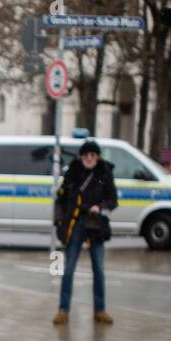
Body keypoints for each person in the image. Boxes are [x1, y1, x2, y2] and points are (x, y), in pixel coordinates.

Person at [52, 139, 118, 326]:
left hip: (96, 226)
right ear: (81, 156)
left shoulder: (105, 173)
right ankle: (63, 310)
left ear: (97, 157)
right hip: (75, 224)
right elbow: (61, 199)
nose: (90, 158)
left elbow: (113, 200)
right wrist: (58, 222)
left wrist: (100, 206)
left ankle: (100, 309)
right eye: (87, 154)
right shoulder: (72, 172)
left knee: (98, 269)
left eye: (93, 155)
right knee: (69, 268)